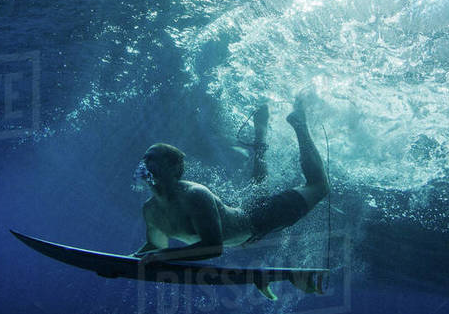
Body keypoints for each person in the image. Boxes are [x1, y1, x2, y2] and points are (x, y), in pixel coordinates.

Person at [131, 95, 328, 263]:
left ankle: (300, 125)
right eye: (144, 158)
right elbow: (156, 247)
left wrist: (163, 257)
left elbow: (213, 247)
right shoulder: (150, 210)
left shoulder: (195, 195)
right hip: (244, 215)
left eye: (152, 159)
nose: (144, 163)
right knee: (258, 192)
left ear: (173, 169)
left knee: (319, 187)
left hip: (257, 222)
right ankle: (260, 134)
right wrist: (132, 259)